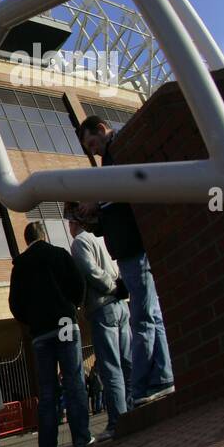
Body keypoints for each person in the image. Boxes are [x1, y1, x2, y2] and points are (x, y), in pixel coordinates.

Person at [77, 116, 175, 407]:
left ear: (102, 130)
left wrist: (97, 203)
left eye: (92, 143)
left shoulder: (118, 151)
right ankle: (162, 376)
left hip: (133, 246)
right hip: (129, 245)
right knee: (150, 315)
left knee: (142, 318)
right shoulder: (111, 157)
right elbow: (116, 210)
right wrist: (95, 216)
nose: (93, 151)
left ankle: (144, 384)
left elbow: (126, 188)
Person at [9, 221, 93, 447]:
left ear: (26, 240)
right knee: (74, 380)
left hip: (40, 333)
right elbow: (78, 283)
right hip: (64, 323)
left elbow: (15, 304)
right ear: (44, 235)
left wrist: (32, 321)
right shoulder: (58, 254)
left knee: (46, 391)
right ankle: (81, 438)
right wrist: (72, 306)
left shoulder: (20, 266)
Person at [66, 202, 132, 439]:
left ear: (75, 223)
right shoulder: (100, 240)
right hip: (121, 307)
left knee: (110, 366)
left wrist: (111, 287)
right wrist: (119, 287)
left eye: (70, 223)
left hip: (103, 306)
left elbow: (91, 272)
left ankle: (118, 421)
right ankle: (132, 412)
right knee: (126, 362)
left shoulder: (80, 242)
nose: (69, 228)